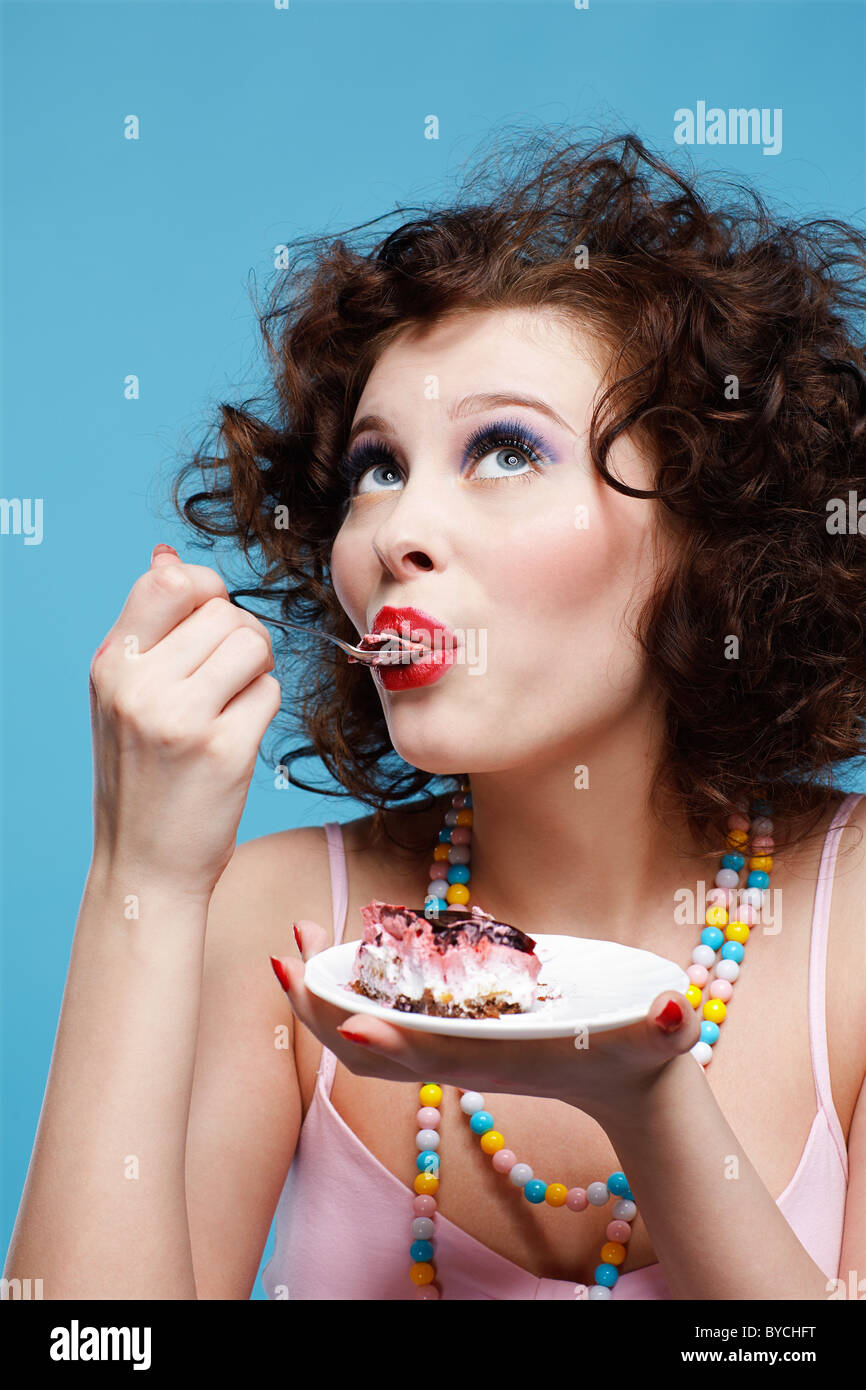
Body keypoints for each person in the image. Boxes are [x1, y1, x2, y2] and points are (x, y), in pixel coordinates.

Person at [5, 130, 866, 1301]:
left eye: (503, 450)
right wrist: (138, 880)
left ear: (707, 529)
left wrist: (652, 1109)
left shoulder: (850, 922)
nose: (395, 530)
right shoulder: (290, 922)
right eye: (375, 466)